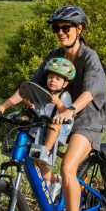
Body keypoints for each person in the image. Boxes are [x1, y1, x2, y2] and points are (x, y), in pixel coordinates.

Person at [0, 4, 106, 211]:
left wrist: (70, 110)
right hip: (58, 113)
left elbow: (89, 92)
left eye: (66, 28)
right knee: (35, 150)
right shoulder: (55, 56)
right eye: (57, 28)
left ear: (79, 29)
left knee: (68, 168)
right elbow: (28, 88)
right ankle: (53, 184)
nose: (61, 32)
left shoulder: (89, 57)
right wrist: (2, 107)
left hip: (89, 116)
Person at [26, 57, 76, 201]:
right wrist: (32, 106)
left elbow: (66, 112)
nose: (52, 80)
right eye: (50, 77)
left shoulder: (64, 96)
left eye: (57, 79)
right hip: (44, 129)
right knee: (37, 163)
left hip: (58, 130)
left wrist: (58, 101)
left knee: (42, 161)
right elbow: (41, 110)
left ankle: (46, 155)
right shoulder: (44, 93)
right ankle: (54, 180)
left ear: (65, 83)